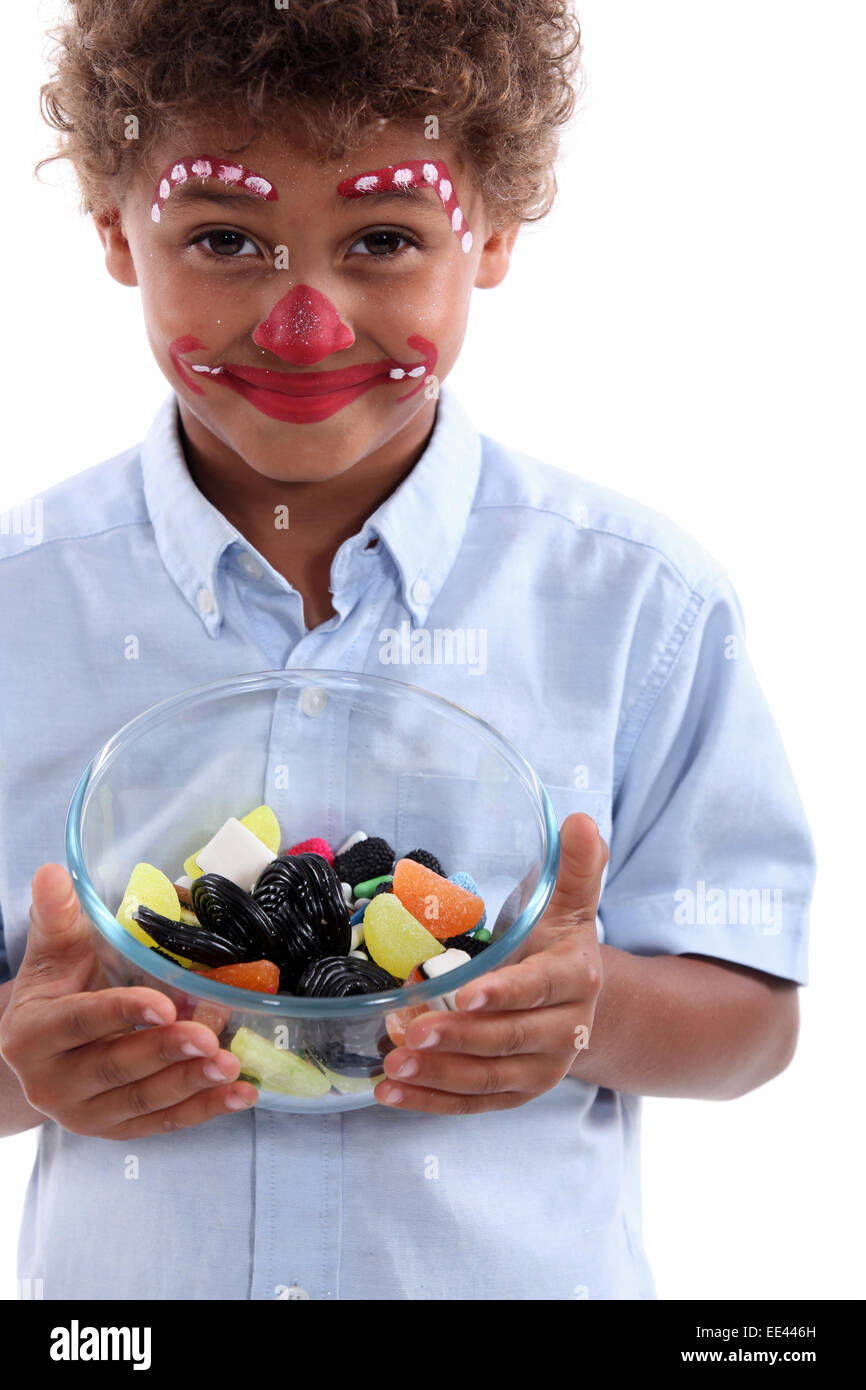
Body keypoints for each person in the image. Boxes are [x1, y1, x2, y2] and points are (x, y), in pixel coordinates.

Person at [0, 0, 814, 1300]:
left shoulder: (636, 601)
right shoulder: (18, 606)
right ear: (115, 230)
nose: (303, 319)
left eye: (382, 238)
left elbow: (754, 1023)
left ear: (487, 233)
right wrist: (24, 1058)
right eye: (223, 236)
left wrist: (581, 1005)